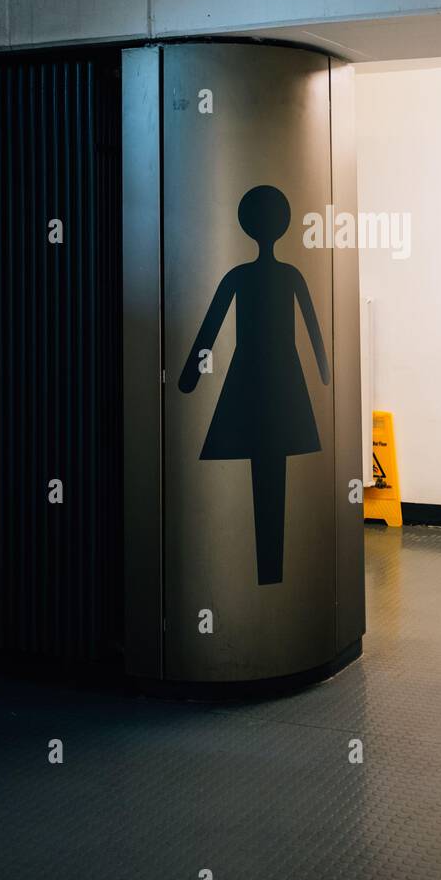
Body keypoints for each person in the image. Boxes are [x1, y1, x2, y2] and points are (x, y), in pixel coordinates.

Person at [178, 185, 330, 585]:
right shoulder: (289, 274)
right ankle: (270, 571)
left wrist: (189, 378)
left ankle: (269, 572)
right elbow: (313, 329)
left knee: (265, 461)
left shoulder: (239, 276)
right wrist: (325, 373)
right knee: (272, 461)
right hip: (283, 378)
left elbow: (210, 328)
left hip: (248, 376)